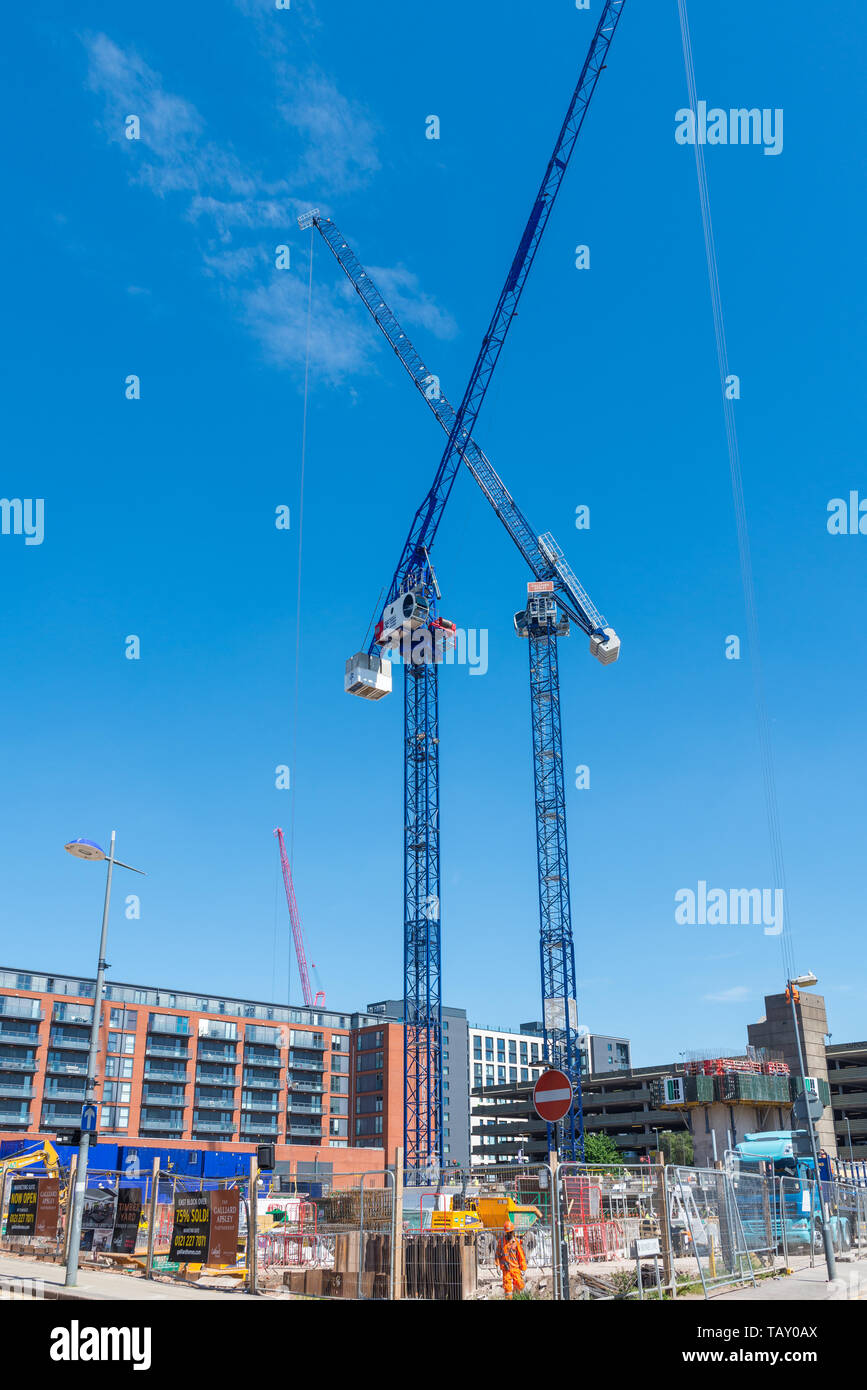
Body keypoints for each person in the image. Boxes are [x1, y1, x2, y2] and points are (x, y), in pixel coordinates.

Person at [495, 1220, 527, 1299]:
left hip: (515, 1268)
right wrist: (497, 1266)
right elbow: (497, 1254)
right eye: (507, 1232)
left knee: (520, 1285)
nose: (509, 1234)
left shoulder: (515, 1242)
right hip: (506, 1269)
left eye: (510, 1232)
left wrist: (523, 1268)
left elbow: (521, 1255)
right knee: (507, 1288)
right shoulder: (501, 1242)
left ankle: (518, 1297)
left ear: (512, 1232)